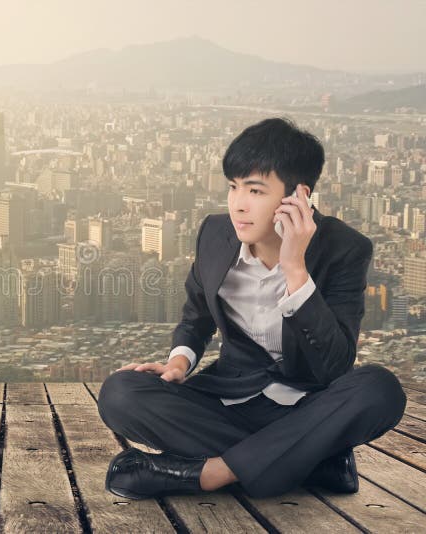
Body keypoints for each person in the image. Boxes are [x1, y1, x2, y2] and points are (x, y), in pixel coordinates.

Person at [97, 117, 406, 499]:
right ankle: (313, 461)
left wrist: (295, 268)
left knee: (380, 389)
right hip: (228, 400)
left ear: (298, 196)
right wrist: (178, 363)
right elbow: (196, 318)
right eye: (233, 187)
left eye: (256, 190)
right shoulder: (215, 234)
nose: (238, 205)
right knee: (120, 393)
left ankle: (210, 474)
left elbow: (335, 365)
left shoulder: (345, 248)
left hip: (306, 406)